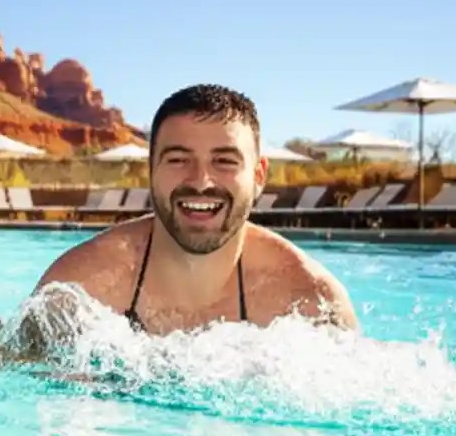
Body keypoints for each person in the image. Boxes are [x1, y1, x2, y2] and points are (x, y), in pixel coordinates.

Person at [35, 84, 359, 335]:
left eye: (224, 161)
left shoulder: (311, 304)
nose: (201, 181)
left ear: (259, 175)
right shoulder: (80, 290)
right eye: (178, 160)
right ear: (151, 170)